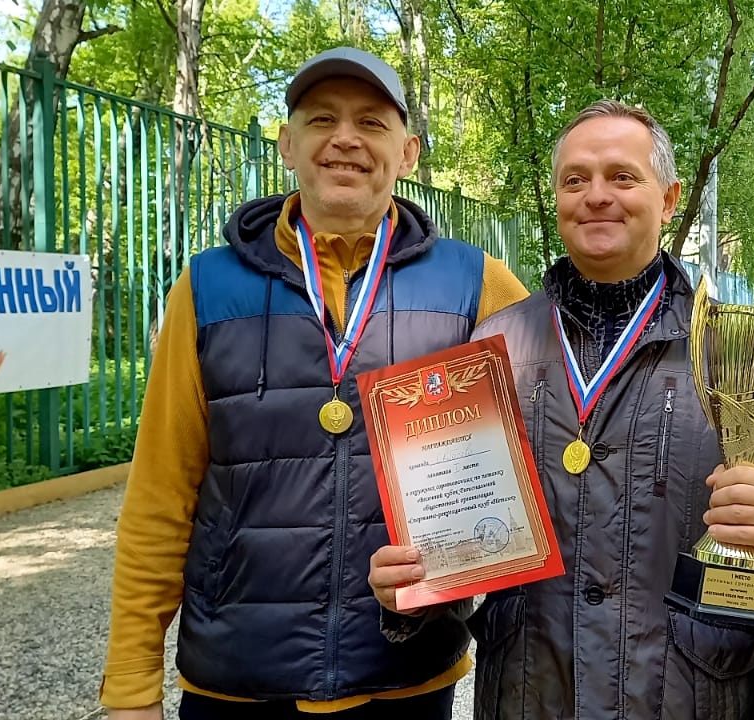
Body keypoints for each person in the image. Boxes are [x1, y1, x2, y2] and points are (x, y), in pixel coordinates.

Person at [99, 47, 530, 719]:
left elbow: (537, 480)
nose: (346, 139)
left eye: (372, 122)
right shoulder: (207, 288)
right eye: (322, 119)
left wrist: (449, 577)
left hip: (405, 679)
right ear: (288, 145)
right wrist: (130, 685)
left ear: (409, 153)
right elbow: (161, 494)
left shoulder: (479, 286)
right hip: (237, 681)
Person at [369, 100, 754, 720]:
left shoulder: (733, 350)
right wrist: (413, 596)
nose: (597, 195)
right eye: (576, 179)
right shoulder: (491, 349)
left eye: (623, 177)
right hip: (530, 693)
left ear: (668, 200)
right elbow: (457, 542)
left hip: (686, 696)